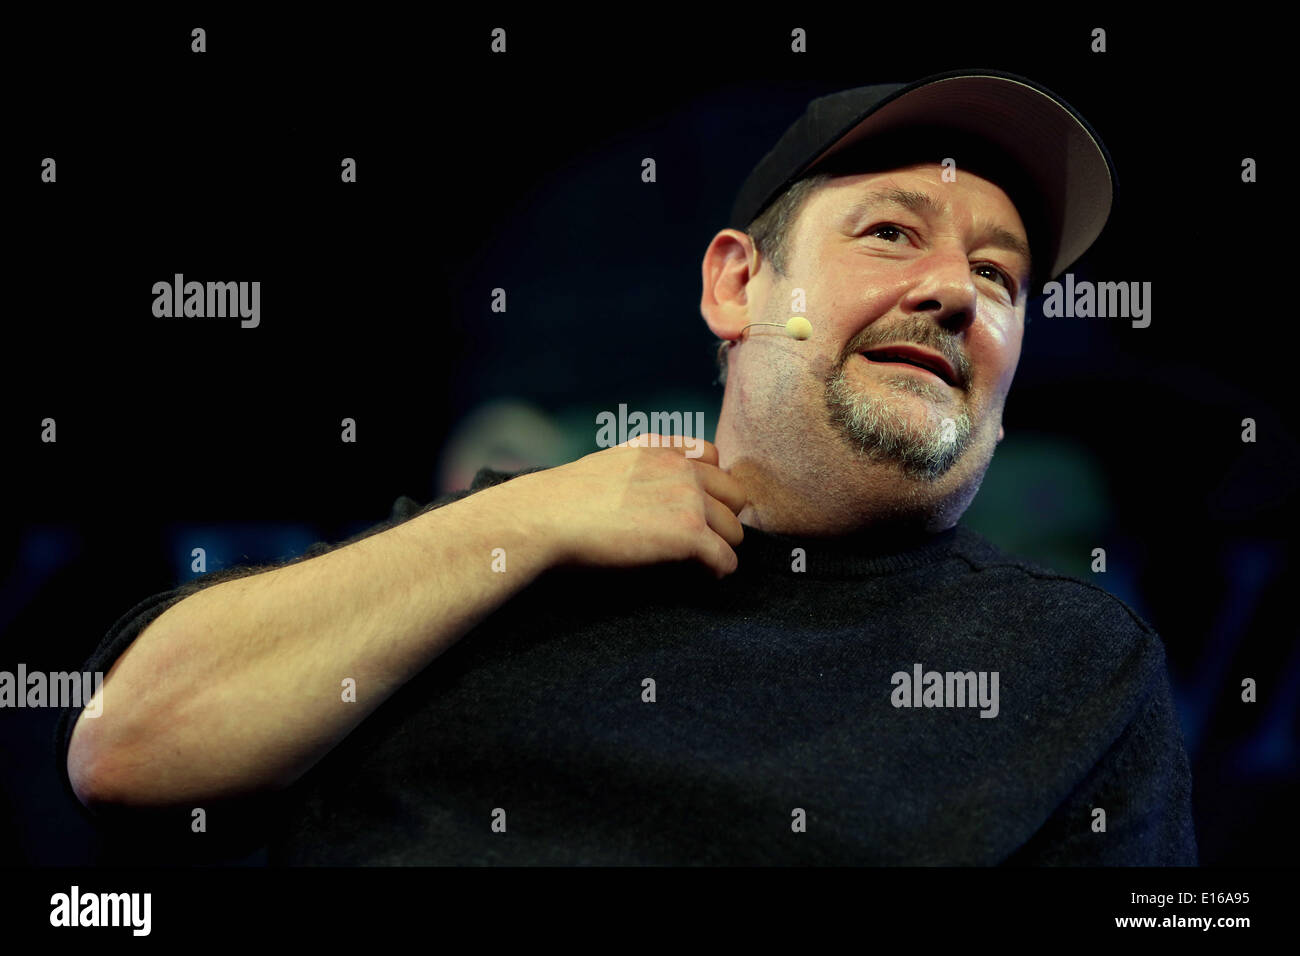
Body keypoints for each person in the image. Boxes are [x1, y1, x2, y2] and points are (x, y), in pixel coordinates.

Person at [58, 70, 1197, 865]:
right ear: (736, 287)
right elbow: (128, 747)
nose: (956, 289)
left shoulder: (1076, 669)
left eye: (999, 275)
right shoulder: (496, 559)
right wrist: (532, 514)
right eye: (892, 233)